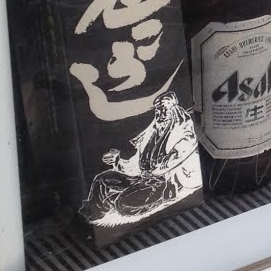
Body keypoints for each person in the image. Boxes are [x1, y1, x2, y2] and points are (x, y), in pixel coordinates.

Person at [78, 92, 202, 230]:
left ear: (174, 110)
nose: (160, 114)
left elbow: (175, 158)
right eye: (158, 110)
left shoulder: (186, 134)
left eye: (163, 110)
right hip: (141, 178)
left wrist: (152, 171)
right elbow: (136, 164)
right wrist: (118, 160)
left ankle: (118, 202)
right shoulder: (151, 133)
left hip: (164, 183)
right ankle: (93, 214)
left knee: (123, 204)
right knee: (102, 179)